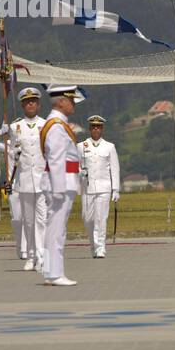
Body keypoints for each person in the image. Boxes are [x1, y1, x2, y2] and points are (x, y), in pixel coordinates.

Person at [39, 85, 83, 286]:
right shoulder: (56, 125)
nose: (73, 103)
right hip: (61, 182)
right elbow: (56, 158)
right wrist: (58, 189)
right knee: (56, 230)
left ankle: (50, 271)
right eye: (71, 100)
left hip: (64, 180)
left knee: (54, 229)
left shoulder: (57, 123)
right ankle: (55, 274)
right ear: (61, 102)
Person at [7, 87, 49, 271]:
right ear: (23, 105)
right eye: (27, 102)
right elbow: (12, 154)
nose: (31, 104)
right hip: (24, 179)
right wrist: (10, 178)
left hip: (43, 179)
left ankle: (40, 255)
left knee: (43, 219)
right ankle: (31, 255)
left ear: (38, 104)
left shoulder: (47, 125)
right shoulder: (15, 127)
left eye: (34, 101)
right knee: (29, 221)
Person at [79, 115, 120, 258]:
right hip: (87, 187)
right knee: (87, 218)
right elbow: (73, 165)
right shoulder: (81, 146)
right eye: (93, 126)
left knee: (101, 218)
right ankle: (93, 244)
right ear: (89, 129)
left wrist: (116, 189)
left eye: (98, 126)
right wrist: (79, 172)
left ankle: (100, 247)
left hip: (104, 187)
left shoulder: (109, 147)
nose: (96, 129)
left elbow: (114, 169)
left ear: (102, 129)